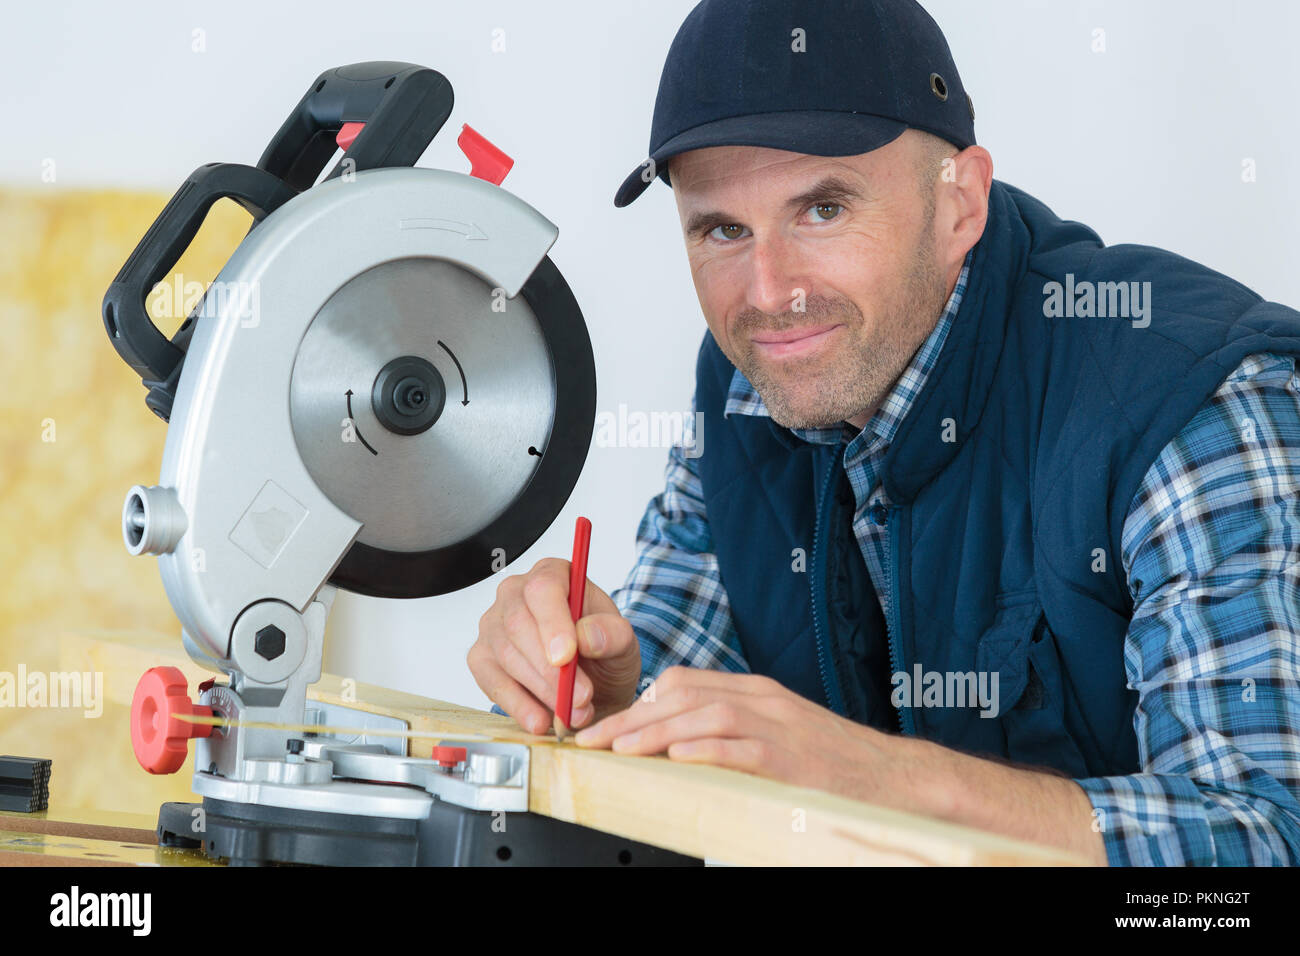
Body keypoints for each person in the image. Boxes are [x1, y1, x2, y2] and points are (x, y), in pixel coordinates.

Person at [467, 0, 1300, 866]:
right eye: (722, 229)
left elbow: (1265, 839)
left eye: (823, 210)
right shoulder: (757, 381)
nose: (768, 293)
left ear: (960, 203)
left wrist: (887, 782)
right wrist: (603, 699)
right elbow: (675, 679)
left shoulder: (1193, 400)